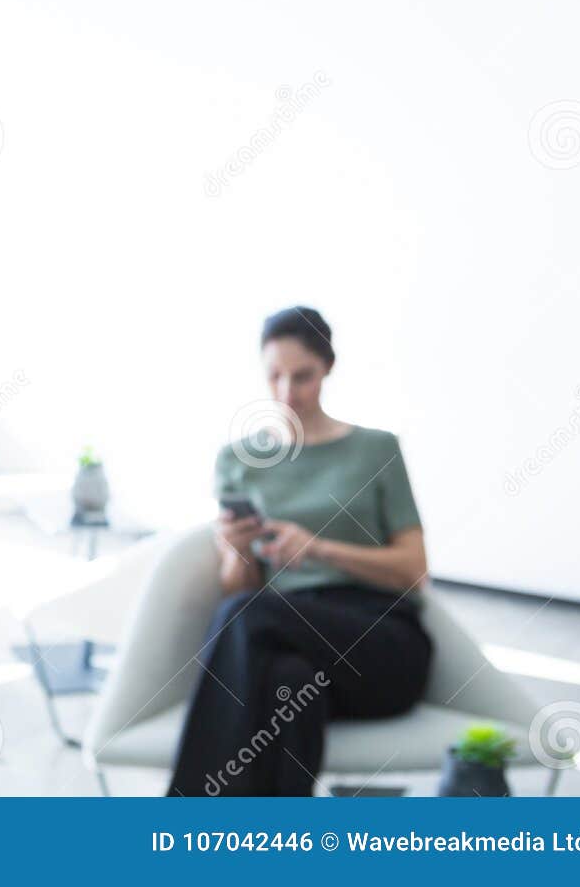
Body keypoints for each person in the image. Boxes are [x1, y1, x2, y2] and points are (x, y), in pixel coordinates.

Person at [165, 306, 432, 796]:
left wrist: (319, 550)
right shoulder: (237, 460)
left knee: (246, 614)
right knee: (290, 681)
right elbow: (240, 588)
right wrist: (237, 553)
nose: (288, 393)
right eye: (275, 377)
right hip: (284, 635)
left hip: (378, 641)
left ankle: (182, 827)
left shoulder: (377, 449)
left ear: (328, 367)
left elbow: (415, 573)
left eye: (303, 376)